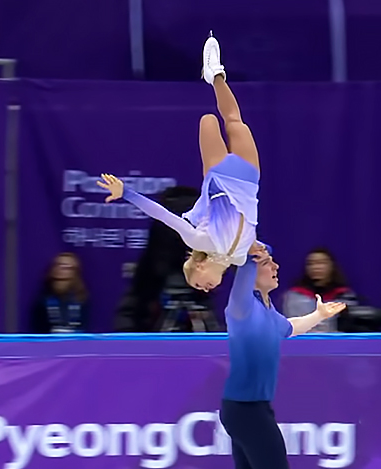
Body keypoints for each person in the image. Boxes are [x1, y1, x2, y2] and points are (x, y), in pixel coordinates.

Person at [211, 243, 344, 469]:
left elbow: (289, 328)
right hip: (246, 410)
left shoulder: (267, 312)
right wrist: (255, 247)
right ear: (250, 273)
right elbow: (245, 258)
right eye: (267, 263)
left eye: (272, 261)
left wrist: (319, 316)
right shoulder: (241, 305)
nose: (275, 265)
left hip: (249, 408)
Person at [97, 33, 259, 293]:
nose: (204, 289)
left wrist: (125, 192)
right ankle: (216, 75)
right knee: (235, 122)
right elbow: (253, 239)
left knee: (209, 120)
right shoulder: (240, 258)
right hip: (249, 180)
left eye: (197, 283)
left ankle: (212, 73)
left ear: (199, 267)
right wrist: (262, 250)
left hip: (220, 178)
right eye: (203, 289)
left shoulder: (198, 239)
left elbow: (161, 214)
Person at [29, 253, 89, 333]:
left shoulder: (82, 299)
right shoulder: (43, 301)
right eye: (59, 265)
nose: (61, 271)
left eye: (67, 267)